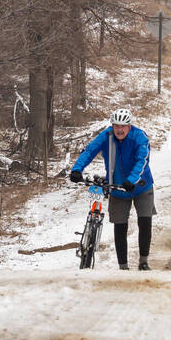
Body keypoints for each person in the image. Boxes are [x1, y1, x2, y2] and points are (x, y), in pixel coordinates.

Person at [70, 107, 156, 270]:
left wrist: (131, 180)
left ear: (129, 126)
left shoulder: (139, 137)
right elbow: (89, 151)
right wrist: (77, 169)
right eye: (116, 126)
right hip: (117, 187)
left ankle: (143, 261)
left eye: (123, 126)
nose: (119, 129)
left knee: (145, 222)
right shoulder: (106, 136)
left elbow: (142, 160)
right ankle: (123, 266)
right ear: (112, 126)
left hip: (141, 187)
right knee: (120, 225)